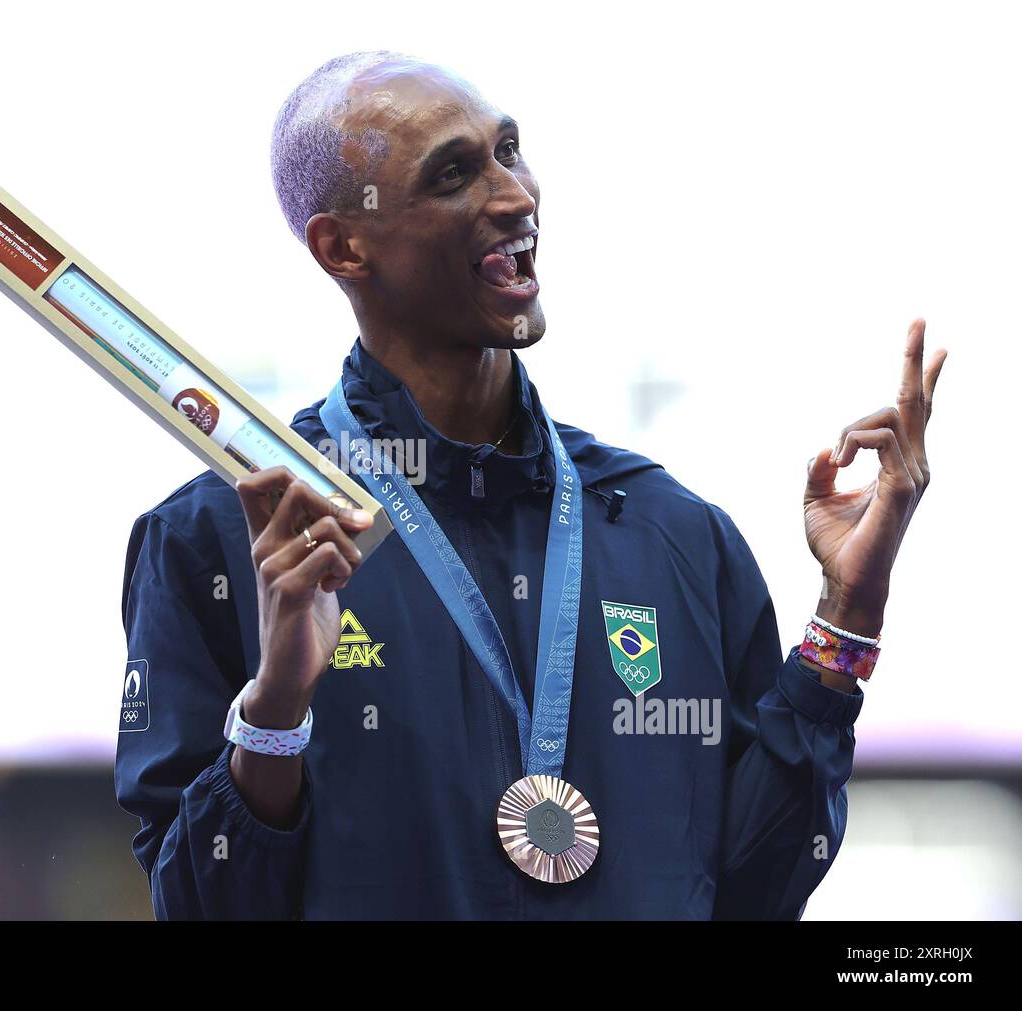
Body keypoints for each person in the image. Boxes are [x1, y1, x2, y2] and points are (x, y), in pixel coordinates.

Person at [114, 51, 946, 919]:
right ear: (343, 245)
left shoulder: (673, 534)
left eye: (509, 150)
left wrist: (846, 616)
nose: (515, 197)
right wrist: (277, 706)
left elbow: (753, 891)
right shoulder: (227, 536)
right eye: (453, 174)